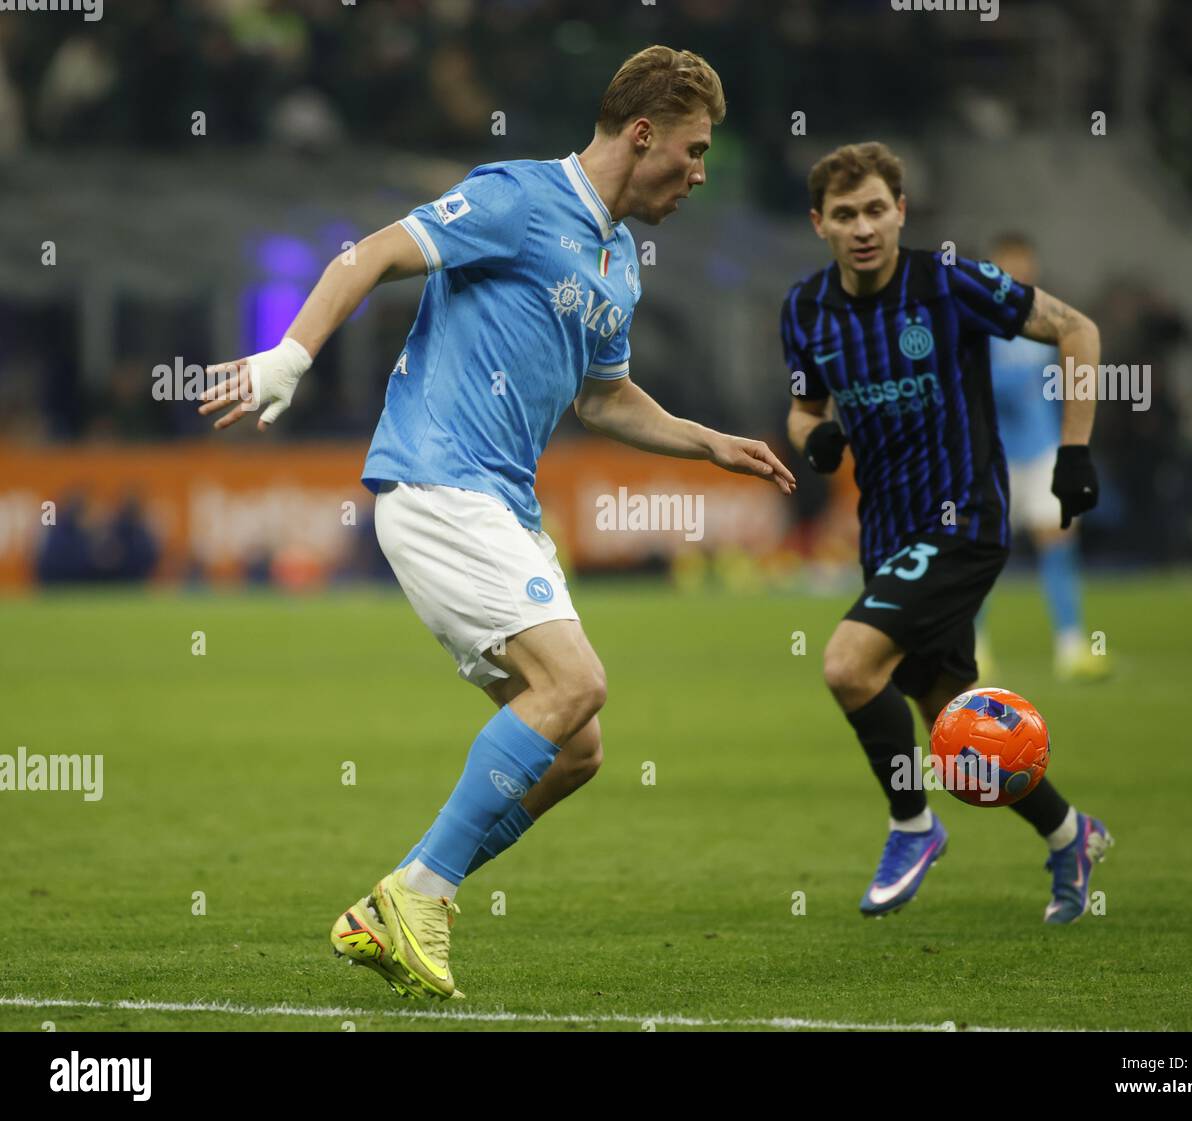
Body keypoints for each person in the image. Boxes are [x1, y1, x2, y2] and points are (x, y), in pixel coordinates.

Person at [200, 46, 795, 1000]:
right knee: (577, 682)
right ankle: (416, 894)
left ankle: (401, 900)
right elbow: (375, 252)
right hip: (440, 483)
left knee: (579, 747)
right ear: (642, 134)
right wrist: (291, 355)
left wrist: (705, 442)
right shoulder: (518, 198)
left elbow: (604, 400)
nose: (698, 173)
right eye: (692, 151)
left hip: (500, 502)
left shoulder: (617, 259)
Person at [781, 142, 1112, 924]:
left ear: (900, 211)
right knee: (957, 726)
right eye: (844, 214)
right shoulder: (805, 309)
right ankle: (1072, 833)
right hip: (888, 536)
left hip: (965, 519)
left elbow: (1078, 329)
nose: (863, 228)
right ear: (818, 223)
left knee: (846, 664)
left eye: (875, 210)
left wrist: (1075, 451)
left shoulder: (949, 283)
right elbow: (804, 408)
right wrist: (813, 440)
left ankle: (912, 826)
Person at [982, 232, 1108, 682]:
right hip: (991, 457)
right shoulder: (977, 323)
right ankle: (975, 651)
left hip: (1041, 453)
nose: (1018, 273)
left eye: (1024, 265)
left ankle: (1071, 646)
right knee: (984, 556)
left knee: (1057, 544)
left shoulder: (1048, 319)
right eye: (1008, 265)